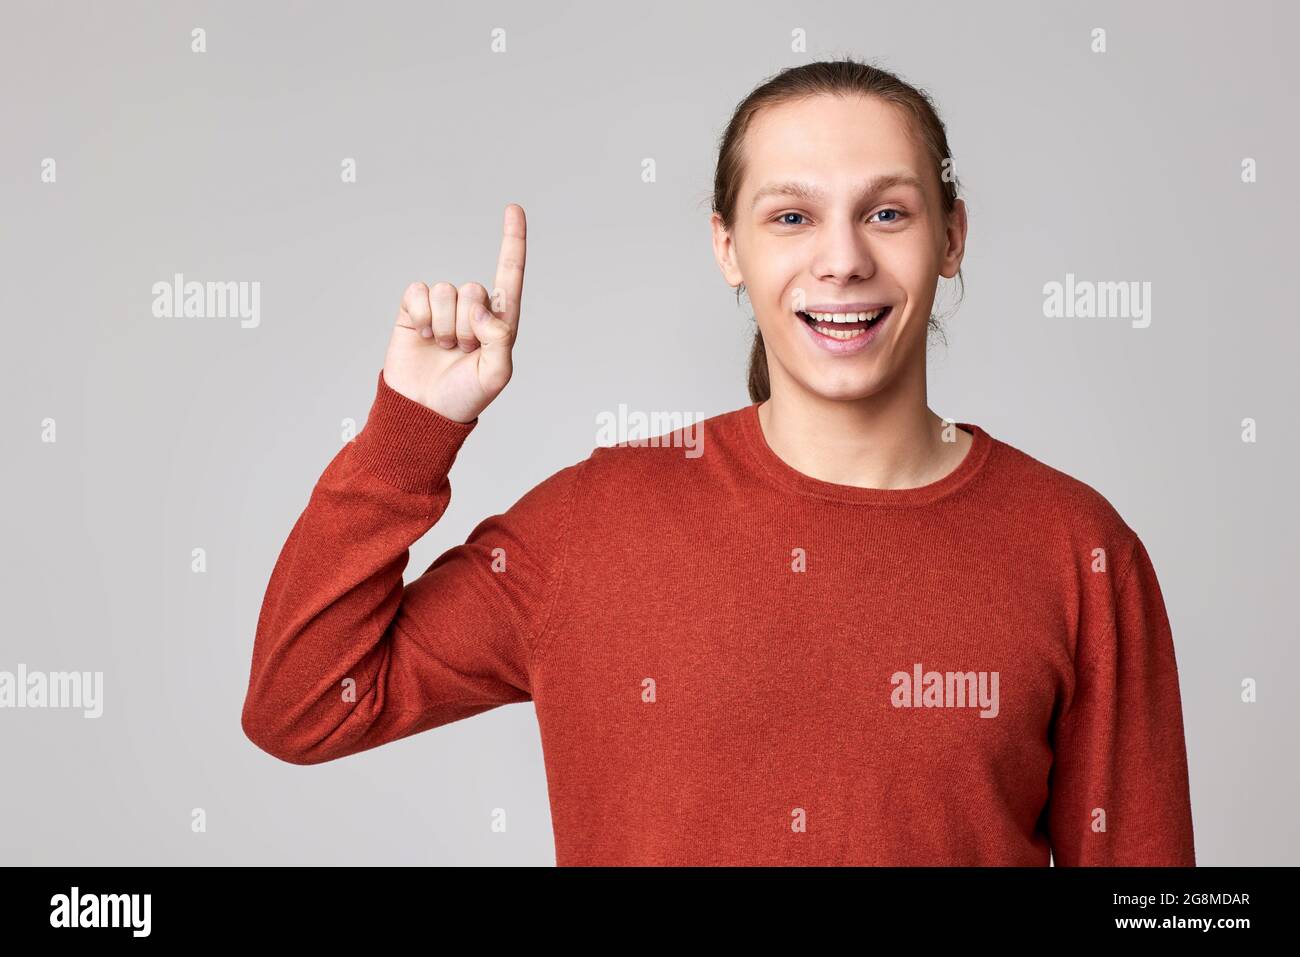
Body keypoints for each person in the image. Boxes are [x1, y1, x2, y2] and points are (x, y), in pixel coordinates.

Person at [241, 58, 1195, 867]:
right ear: (725, 246)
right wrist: (410, 430)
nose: (841, 260)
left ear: (953, 237)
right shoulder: (592, 524)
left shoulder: (1078, 548)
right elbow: (304, 703)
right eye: (790, 218)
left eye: (889, 213)